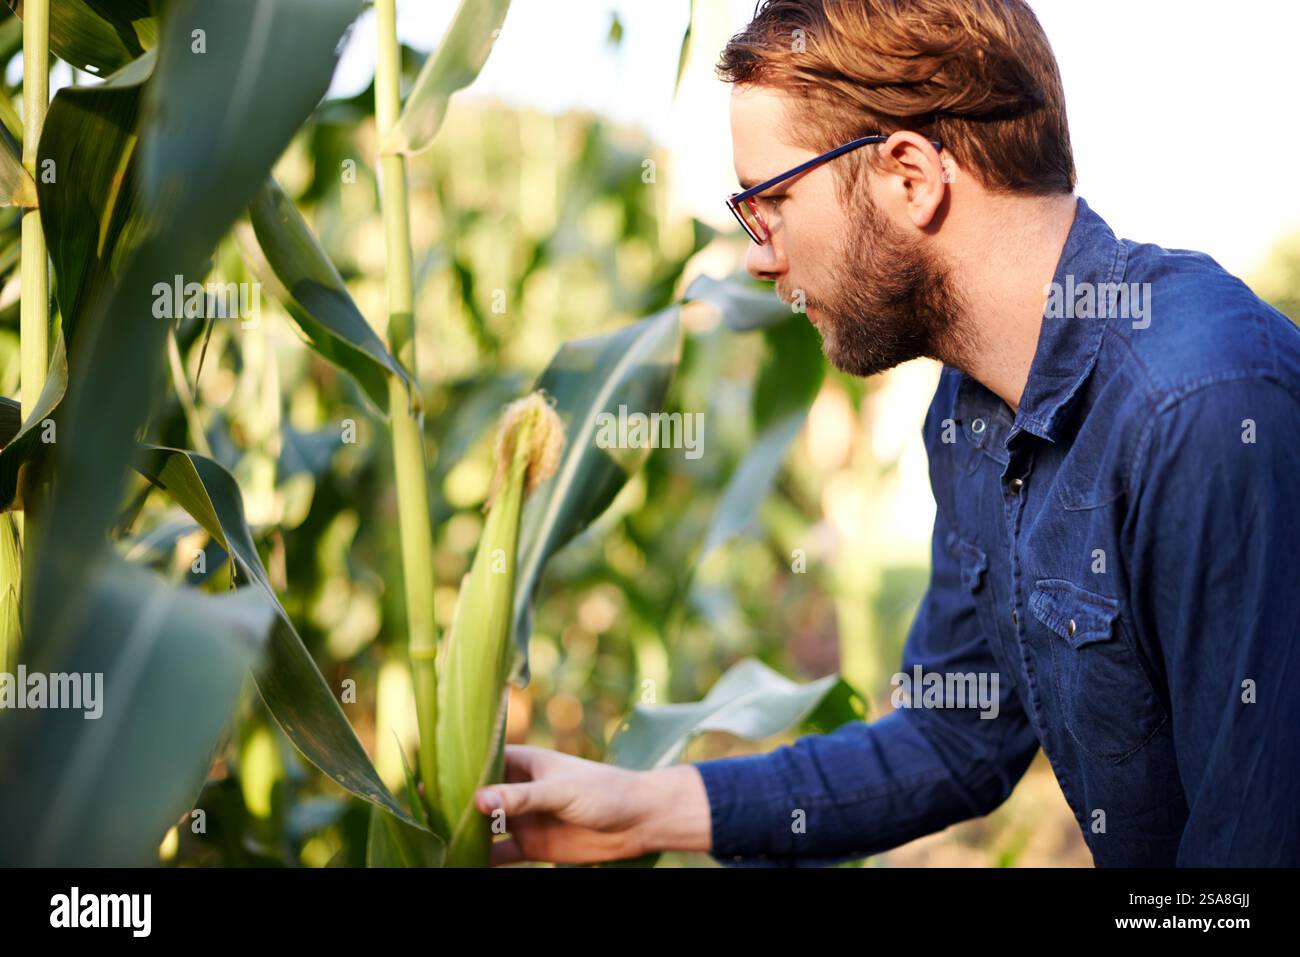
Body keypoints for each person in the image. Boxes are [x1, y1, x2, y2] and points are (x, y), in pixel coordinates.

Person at [474, 0, 1300, 867]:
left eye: (772, 200)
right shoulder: (971, 413)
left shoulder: (1204, 410)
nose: (758, 255)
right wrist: (639, 808)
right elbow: (955, 736)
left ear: (909, 175)